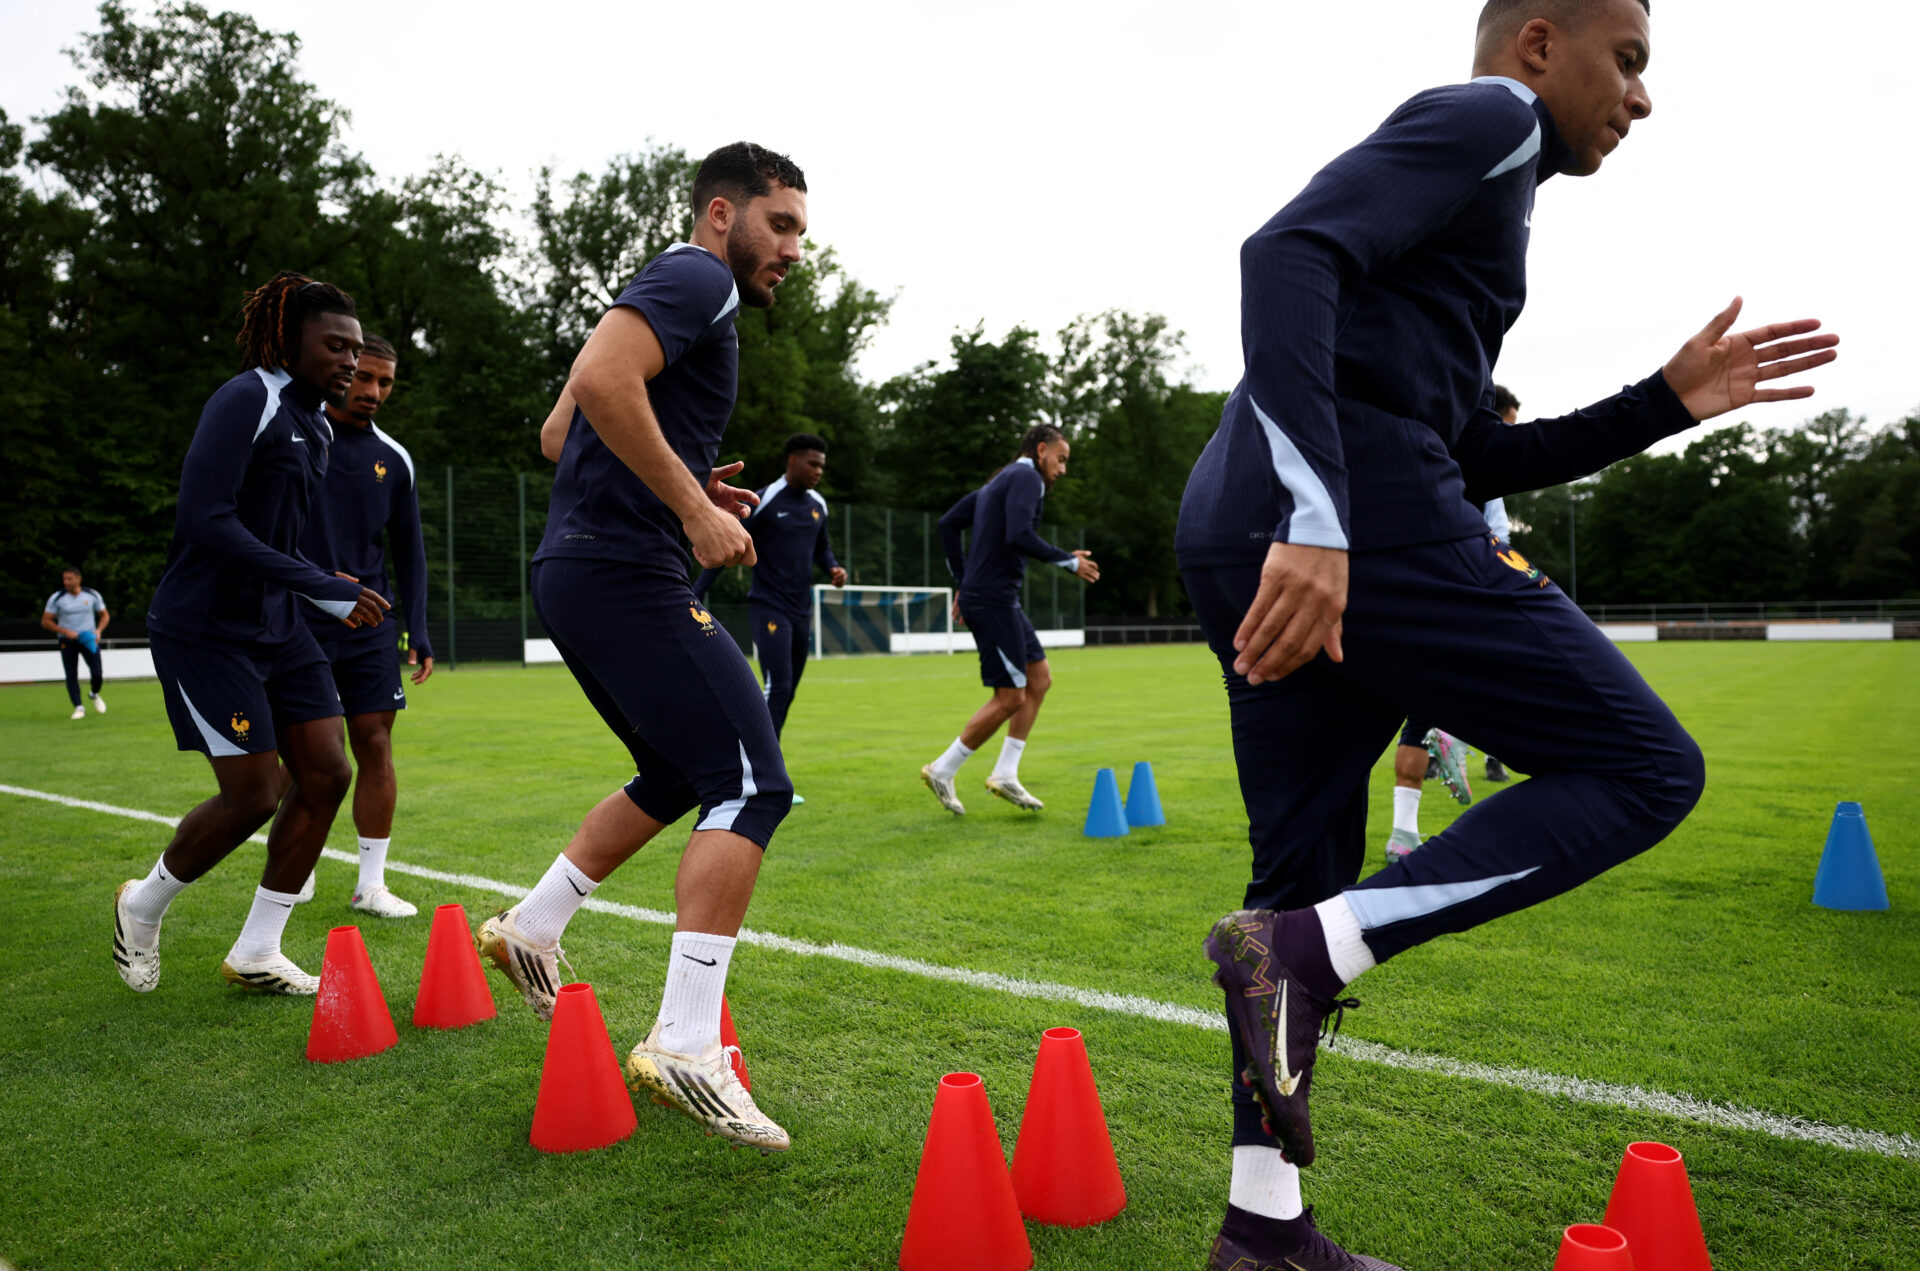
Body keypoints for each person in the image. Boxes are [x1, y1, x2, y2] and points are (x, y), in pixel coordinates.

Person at [1173, 2, 1839, 1266]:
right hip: (1341, 522)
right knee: (1644, 766)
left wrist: (1665, 402)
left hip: (1245, 528)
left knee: (1293, 897)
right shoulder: (1490, 118)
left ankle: (1262, 1232)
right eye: (1629, 60)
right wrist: (1320, 514)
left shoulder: (1480, 212)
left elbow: (1478, 447)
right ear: (1539, 43)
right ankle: (1310, 950)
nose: (1640, 99)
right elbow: (1283, 253)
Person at [480, 142, 806, 1152]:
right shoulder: (698, 276)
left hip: (583, 569)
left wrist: (691, 481)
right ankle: (685, 1043)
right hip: (627, 570)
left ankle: (532, 926)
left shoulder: (664, 287)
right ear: (722, 212)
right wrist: (688, 508)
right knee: (753, 784)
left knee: (674, 770)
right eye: (782, 224)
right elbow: (599, 379)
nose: (795, 248)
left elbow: (557, 429)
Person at [112, 272, 390, 997]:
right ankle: (140, 906)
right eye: (334, 346)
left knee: (328, 772)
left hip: (280, 625)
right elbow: (207, 519)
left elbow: (279, 542)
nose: (350, 363)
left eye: (355, 350)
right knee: (254, 794)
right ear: (286, 340)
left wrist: (328, 592)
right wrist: (319, 585)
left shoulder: (319, 425)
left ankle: (259, 947)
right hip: (206, 628)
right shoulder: (246, 399)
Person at [294, 333, 434, 917]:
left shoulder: (394, 459)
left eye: (386, 383)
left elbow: (409, 551)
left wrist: (418, 628)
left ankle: (370, 885)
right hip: (297, 615)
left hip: (370, 622)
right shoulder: (294, 438)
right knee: (313, 752)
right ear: (339, 372)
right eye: (364, 378)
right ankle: (294, 861)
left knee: (374, 742)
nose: (373, 391)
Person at [921, 425, 1099, 814]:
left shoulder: (1000, 481)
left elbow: (948, 523)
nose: (1063, 469)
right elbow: (1020, 534)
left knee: (1039, 679)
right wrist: (1069, 562)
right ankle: (942, 768)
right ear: (1041, 450)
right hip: (992, 601)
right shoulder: (1026, 478)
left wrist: (962, 582)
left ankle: (1005, 773)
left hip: (996, 598)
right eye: (1061, 459)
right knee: (1010, 696)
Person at [1383, 384, 1527, 863]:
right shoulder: (1480, 467)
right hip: (1452, 597)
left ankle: (1403, 834)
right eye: (1505, 425)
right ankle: (1458, 735)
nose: (1508, 435)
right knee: (1499, 675)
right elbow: (1497, 541)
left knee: (1412, 717)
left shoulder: (1402, 444)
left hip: (1390, 599)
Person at [691, 431, 847, 802]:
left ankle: (759, 770)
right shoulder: (766, 499)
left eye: (822, 466)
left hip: (801, 610)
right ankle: (759, 775)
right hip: (769, 605)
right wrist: (694, 594)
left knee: (786, 691)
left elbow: (822, 548)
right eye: (813, 464)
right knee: (777, 686)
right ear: (792, 461)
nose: (818, 472)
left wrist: (833, 568)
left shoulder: (818, 505)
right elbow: (732, 542)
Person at [42, 567, 109, 720]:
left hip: (88, 639)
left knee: (97, 672)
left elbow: (104, 616)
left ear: (79, 579)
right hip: (68, 641)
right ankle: (78, 707)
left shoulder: (92, 595)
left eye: (69, 579)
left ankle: (94, 693)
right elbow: (45, 621)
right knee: (71, 674)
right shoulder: (57, 598)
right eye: (64, 579)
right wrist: (65, 631)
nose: (66, 582)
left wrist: (98, 631)